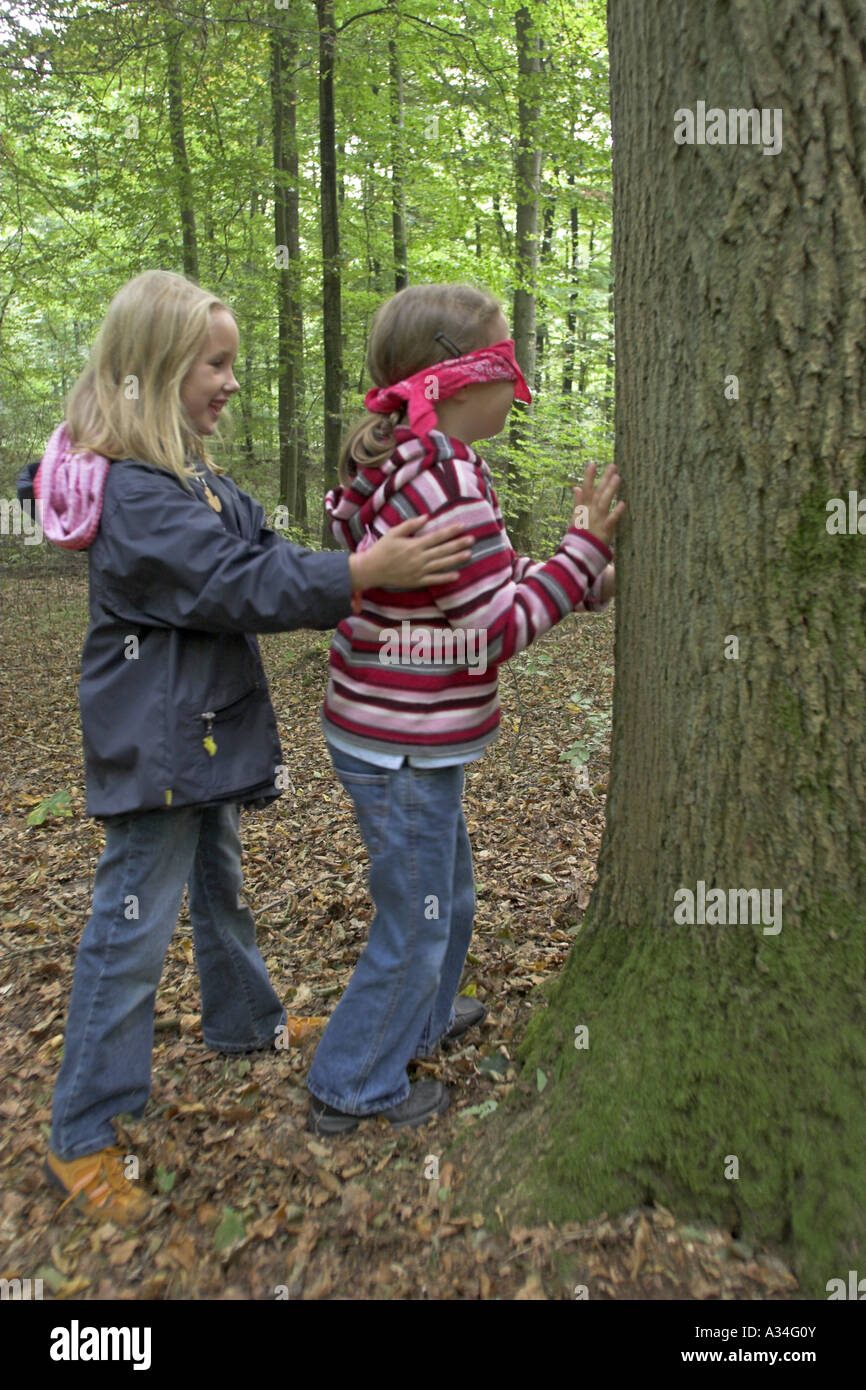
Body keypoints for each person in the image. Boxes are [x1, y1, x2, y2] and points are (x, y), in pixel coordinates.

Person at [16, 269, 473, 1221]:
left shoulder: (188, 474)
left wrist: (359, 503)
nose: (231, 382)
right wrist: (361, 572)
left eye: (232, 363)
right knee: (131, 925)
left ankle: (243, 1023)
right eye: (212, 364)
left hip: (201, 734)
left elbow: (259, 553)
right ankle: (84, 1132)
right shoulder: (138, 493)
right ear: (153, 369)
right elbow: (237, 584)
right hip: (160, 743)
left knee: (218, 882)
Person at [307, 282, 624, 1135]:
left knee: (449, 897)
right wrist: (583, 548)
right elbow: (495, 629)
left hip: (395, 731)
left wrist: (581, 579)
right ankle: (352, 1082)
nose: (518, 380)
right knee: (417, 918)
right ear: (455, 376)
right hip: (399, 740)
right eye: (505, 359)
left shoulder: (435, 464)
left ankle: (419, 1019)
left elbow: (486, 586)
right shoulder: (438, 476)